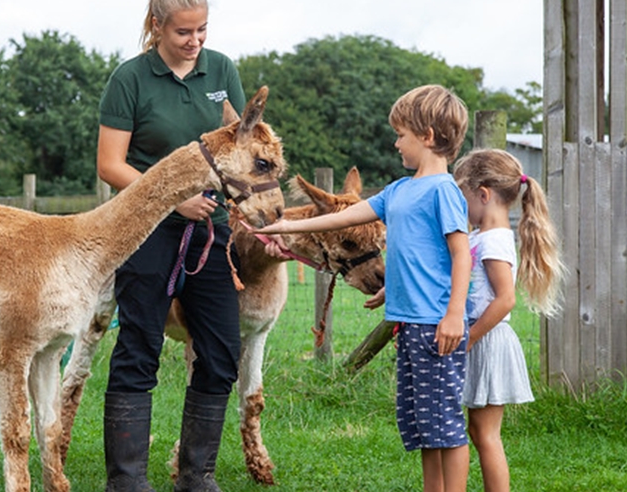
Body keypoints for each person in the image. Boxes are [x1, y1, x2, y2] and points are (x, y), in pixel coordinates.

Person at [255, 84, 472, 492]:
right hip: (409, 324)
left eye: (401, 135)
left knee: (444, 423)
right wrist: (288, 226)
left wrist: (455, 314)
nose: (396, 143)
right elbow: (342, 218)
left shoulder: (443, 191)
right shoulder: (400, 191)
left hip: (436, 326)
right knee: (423, 423)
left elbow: (461, 255)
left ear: (427, 137)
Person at [95, 1, 246, 490]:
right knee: (139, 346)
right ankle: (127, 481)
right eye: (184, 31)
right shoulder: (130, 79)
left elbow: (237, 146)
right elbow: (111, 165)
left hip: (212, 231)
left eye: (202, 29)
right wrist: (173, 200)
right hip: (147, 229)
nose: (194, 40)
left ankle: (195, 476)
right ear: (156, 26)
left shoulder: (221, 69)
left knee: (223, 352)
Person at [453, 149, 564, 492]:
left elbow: (505, 299)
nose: (460, 208)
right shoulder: (480, 236)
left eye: (463, 198)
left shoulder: (495, 240)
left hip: (487, 340)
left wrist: (469, 338)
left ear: (483, 194)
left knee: (486, 434)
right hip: (479, 337)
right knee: (478, 430)